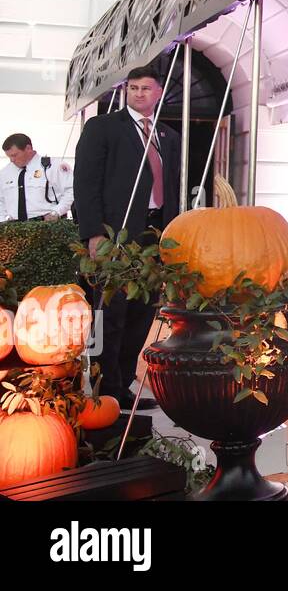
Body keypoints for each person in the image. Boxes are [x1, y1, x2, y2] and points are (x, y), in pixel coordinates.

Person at [73, 66, 181, 411]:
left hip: (154, 236)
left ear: (158, 93)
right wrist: (92, 233)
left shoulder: (168, 136)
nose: (138, 93)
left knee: (142, 313)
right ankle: (103, 386)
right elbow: (85, 184)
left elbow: (174, 190)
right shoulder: (102, 128)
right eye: (132, 88)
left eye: (145, 88)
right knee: (109, 312)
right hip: (113, 236)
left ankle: (123, 382)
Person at [0, 133, 74, 222]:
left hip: (47, 223)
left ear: (28, 149)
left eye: (14, 155)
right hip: (15, 227)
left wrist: (57, 212)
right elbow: (1, 200)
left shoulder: (53, 166)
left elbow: (72, 190)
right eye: (9, 156)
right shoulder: (5, 172)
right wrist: (3, 221)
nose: (11, 160)